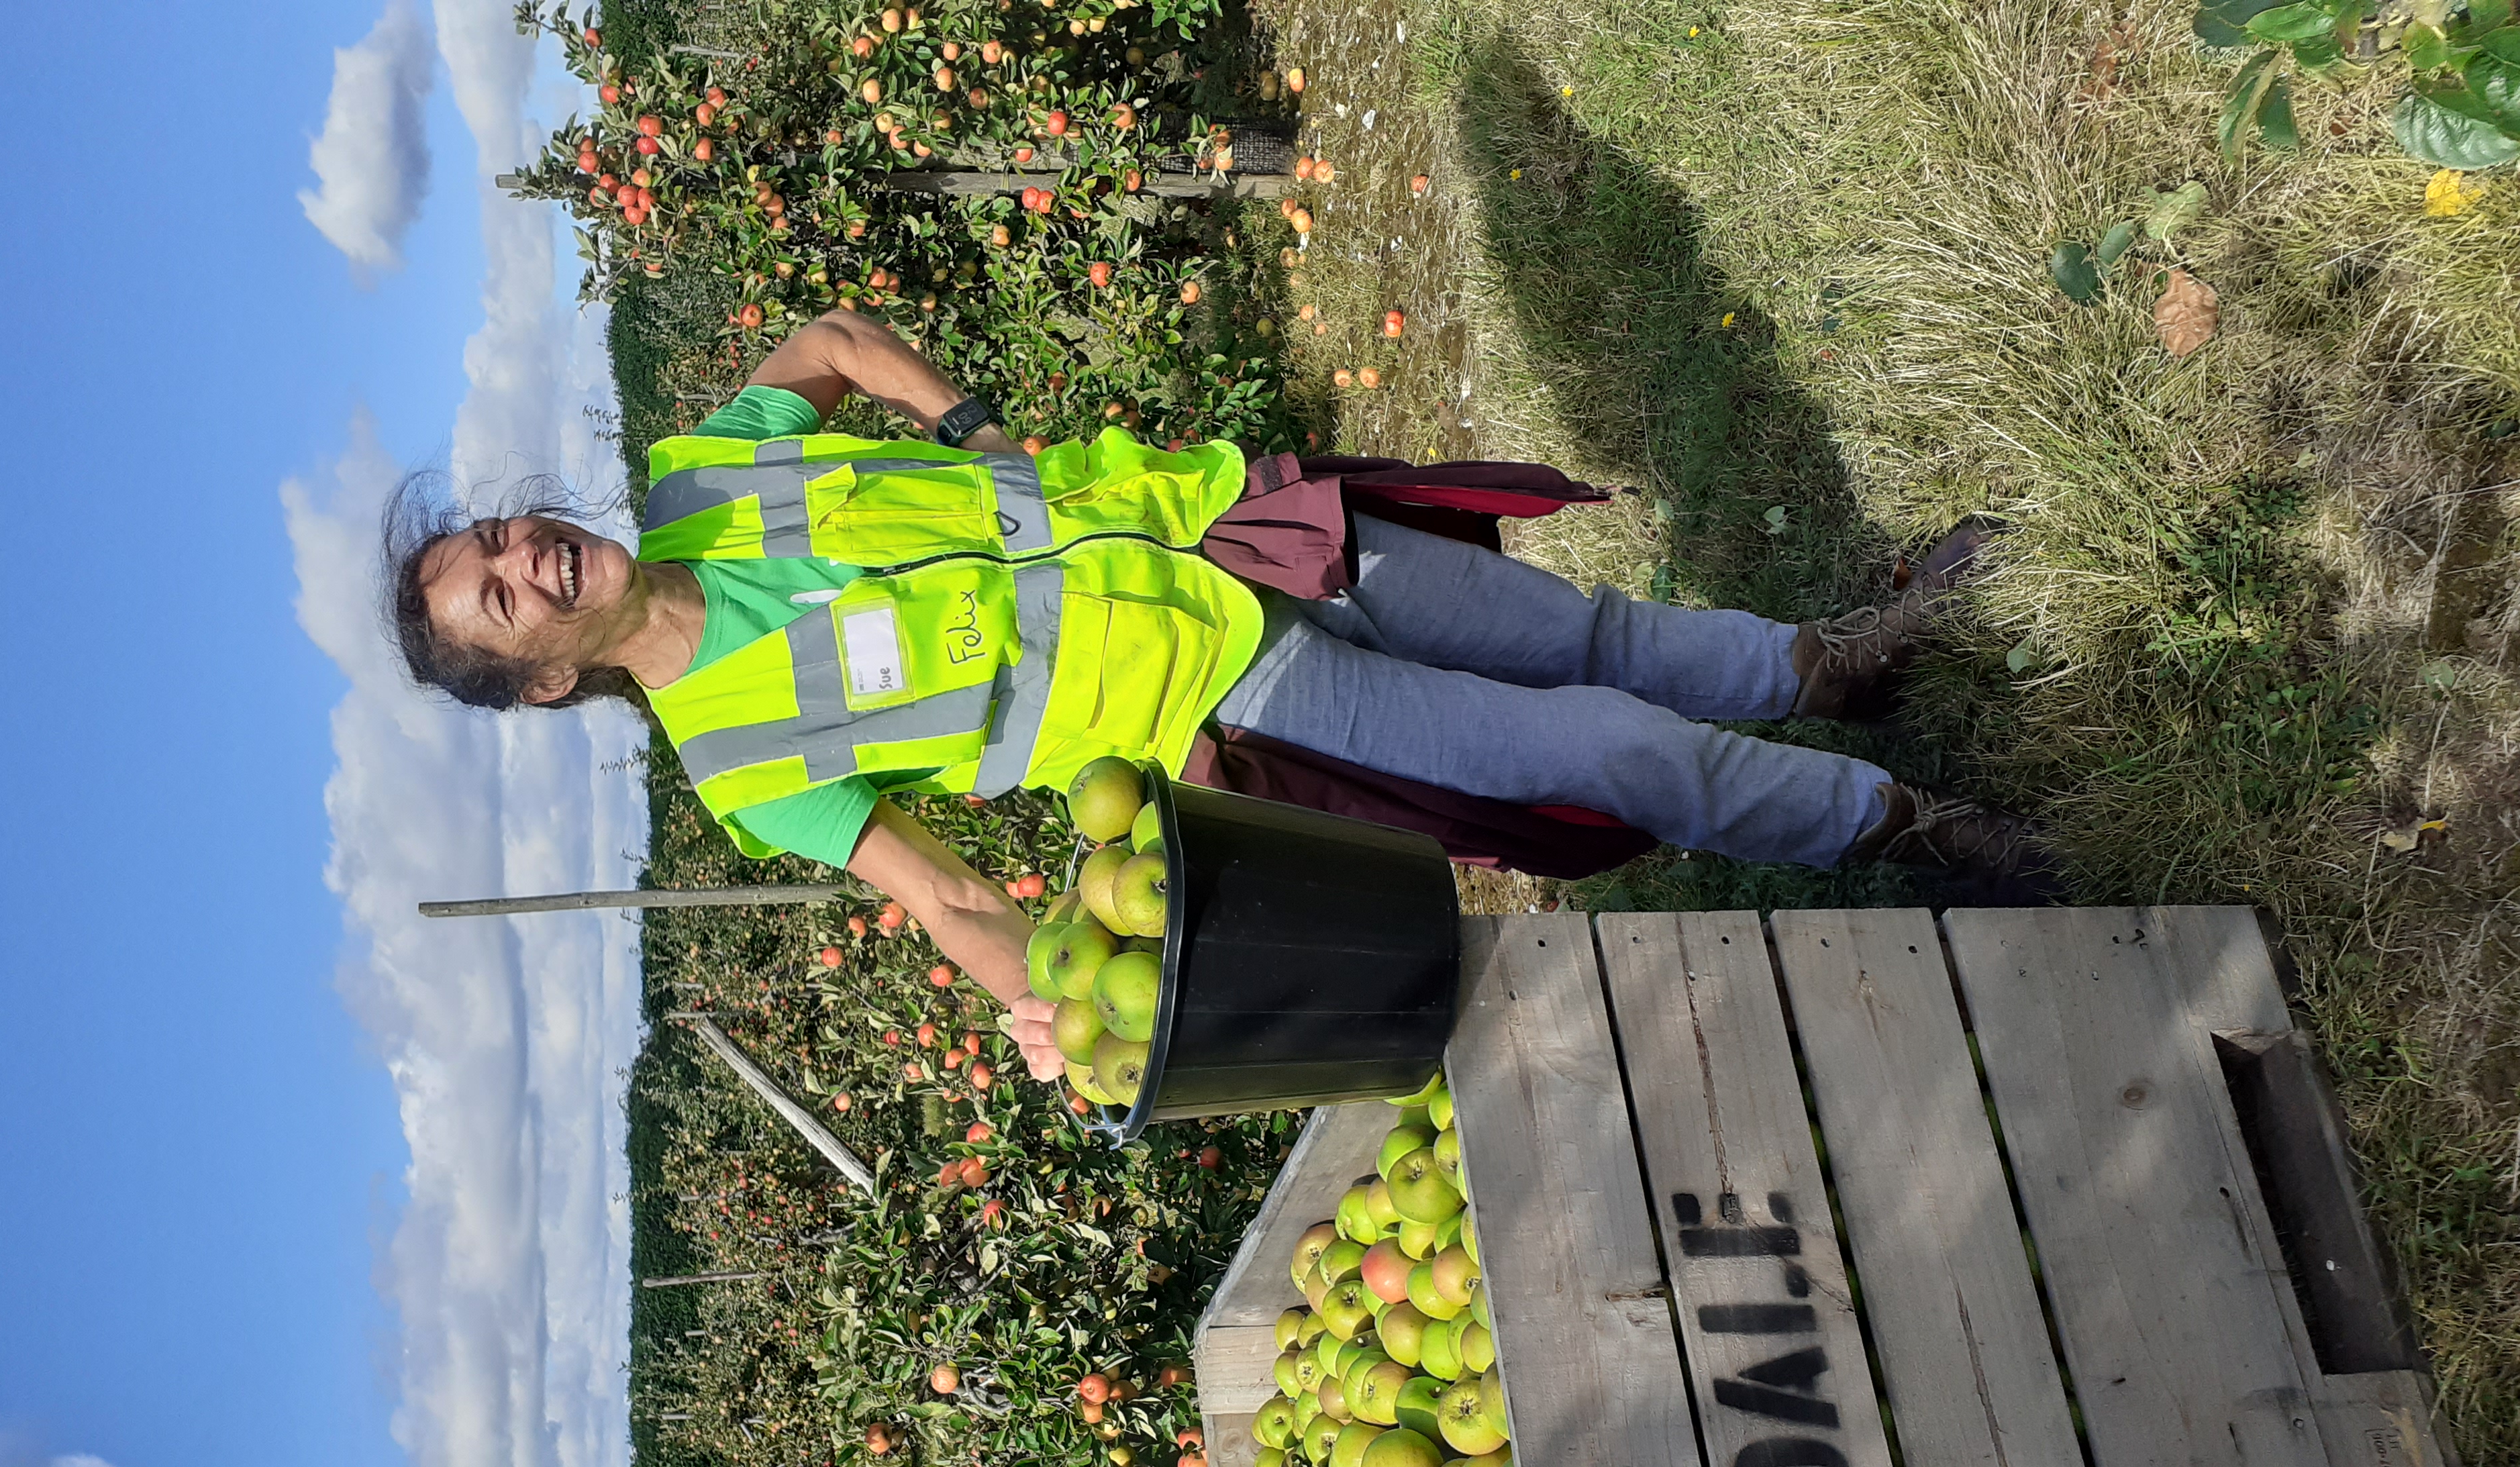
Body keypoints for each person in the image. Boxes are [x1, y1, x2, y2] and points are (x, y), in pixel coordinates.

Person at [384, 309, 2055, 1083]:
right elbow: (946, 894)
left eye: (498, 537)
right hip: (1233, 687)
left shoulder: (698, 478)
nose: (527, 557)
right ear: (535, 687)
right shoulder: (743, 762)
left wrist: (975, 430)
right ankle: (1905, 826)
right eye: (499, 599)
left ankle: (1833, 667)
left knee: (1584, 637)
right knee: (1593, 751)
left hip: (1222, 526)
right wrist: (1039, 996)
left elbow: (825, 343)